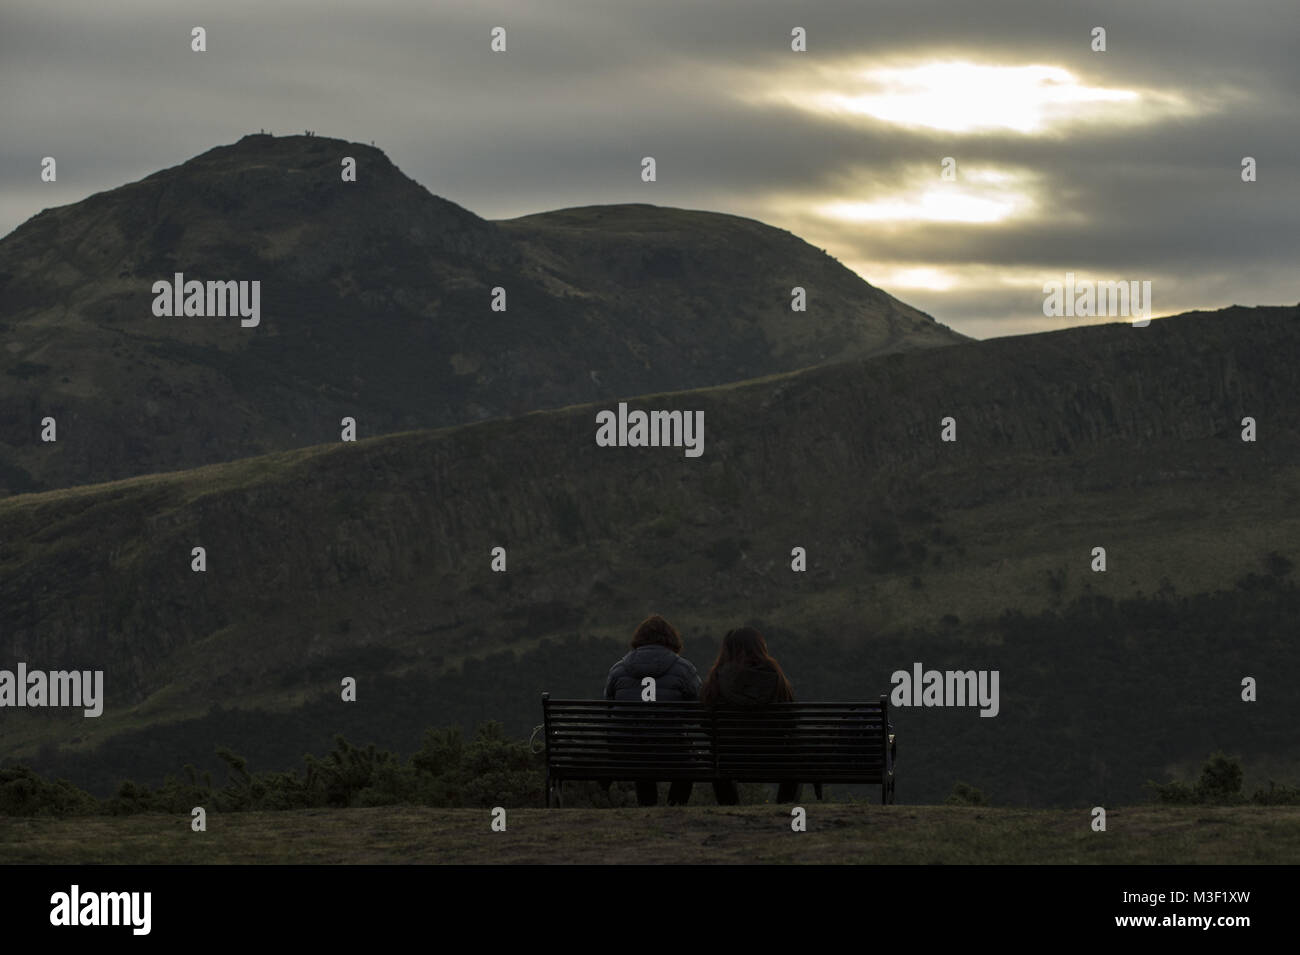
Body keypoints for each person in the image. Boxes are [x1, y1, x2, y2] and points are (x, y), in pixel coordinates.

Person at [603, 614, 701, 806]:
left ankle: (648, 806)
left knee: (639, 743)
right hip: (671, 751)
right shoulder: (684, 668)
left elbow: (608, 708)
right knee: (688, 762)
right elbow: (698, 706)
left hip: (626, 752)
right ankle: (675, 806)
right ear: (671, 640)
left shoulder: (618, 668)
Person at [701, 627, 801, 805]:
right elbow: (791, 723)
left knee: (717, 756)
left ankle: (729, 807)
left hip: (729, 758)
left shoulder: (717, 678)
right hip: (773, 757)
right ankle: (784, 806)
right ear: (760, 646)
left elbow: (706, 725)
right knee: (795, 759)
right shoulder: (776, 677)